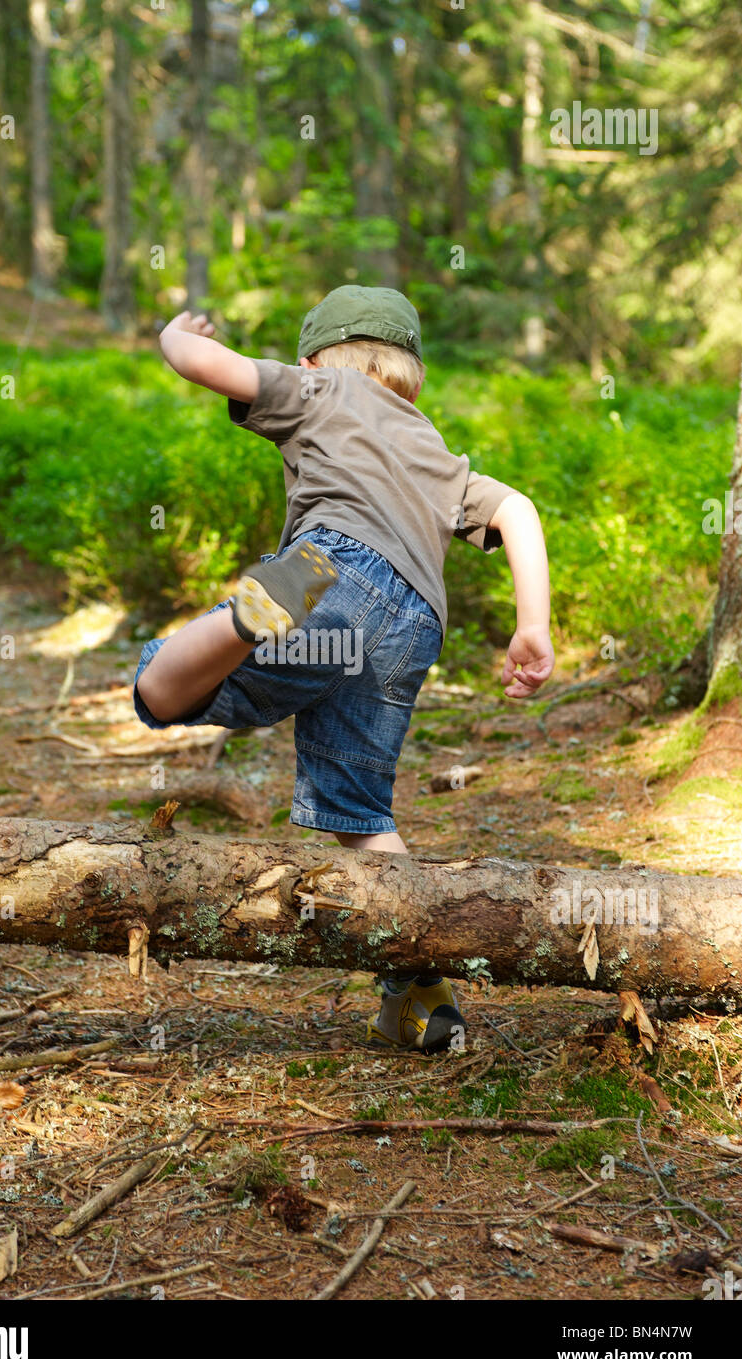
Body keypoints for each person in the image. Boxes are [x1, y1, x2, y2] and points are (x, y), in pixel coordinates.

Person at [134, 285, 555, 1052]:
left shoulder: (319, 388)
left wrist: (174, 333)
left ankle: (246, 616)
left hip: (329, 577)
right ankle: (422, 996)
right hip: (410, 629)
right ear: (412, 375)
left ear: (314, 357)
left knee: (159, 690)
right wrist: (532, 626)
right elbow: (516, 508)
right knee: (361, 816)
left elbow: (205, 364)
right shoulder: (436, 451)